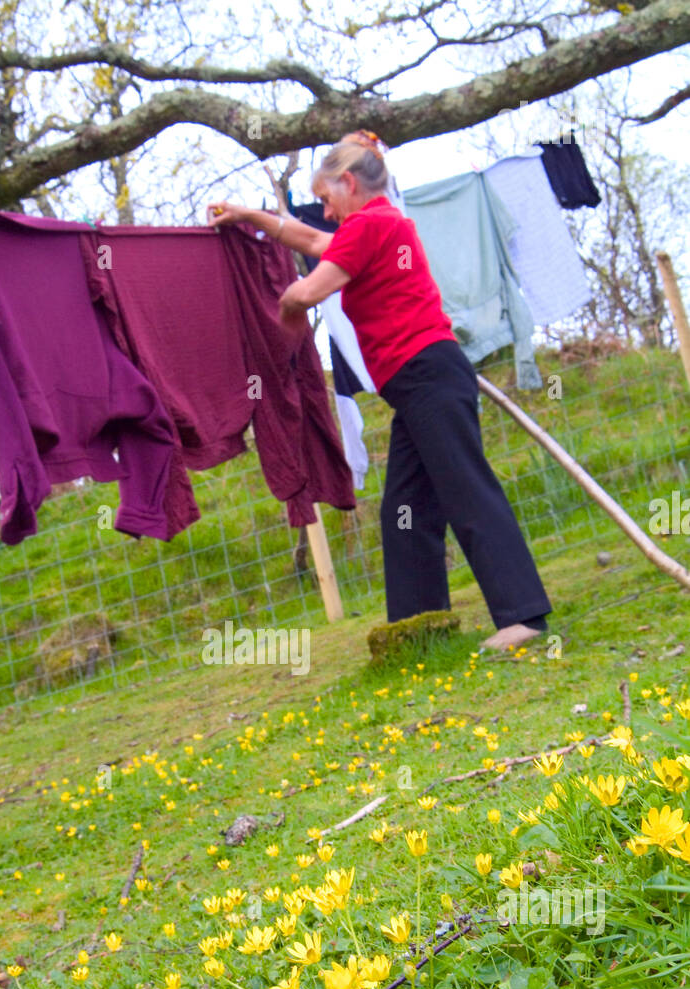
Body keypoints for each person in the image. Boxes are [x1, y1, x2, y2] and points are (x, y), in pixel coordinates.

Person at [207, 130, 551, 651]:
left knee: (466, 490)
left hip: (427, 373)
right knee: (406, 508)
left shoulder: (371, 223)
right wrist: (252, 218)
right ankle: (420, 630)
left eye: (325, 198)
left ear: (348, 182)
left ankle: (523, 616)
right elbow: (315, 243)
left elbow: (311, 286)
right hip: (416, 385)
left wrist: (283, 310)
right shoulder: (374, 225)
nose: (325, 211)